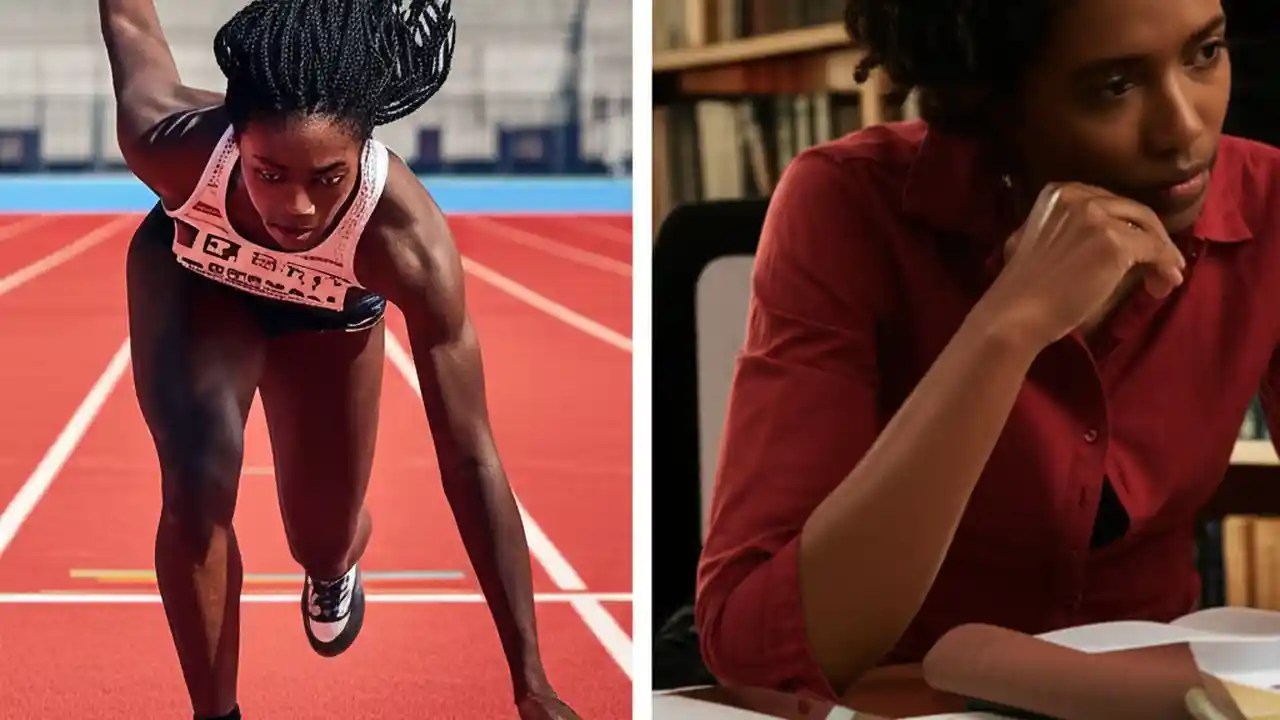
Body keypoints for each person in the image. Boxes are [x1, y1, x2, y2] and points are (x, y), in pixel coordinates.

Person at [695, 0, 1280, 703]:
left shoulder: (1269, 202)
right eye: (1114, 87)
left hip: (1164, 698)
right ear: (992, 98)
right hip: (902, 701)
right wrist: (1006, 328)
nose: (1185, 127)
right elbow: (755, 651)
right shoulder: (844, 207)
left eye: (1204, 53)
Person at [97, 1, 580, 718]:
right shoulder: (165, 142)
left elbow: (471, 457)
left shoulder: (407, 245)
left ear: (363, 151)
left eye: (327, 178)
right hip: (200, 285)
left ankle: (334, 568)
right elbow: (133, 26)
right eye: (268, 171)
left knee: (321, 535)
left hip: (327, 316)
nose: (294, 208)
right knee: (196, 481)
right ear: (238, 141)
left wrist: (532, 682)